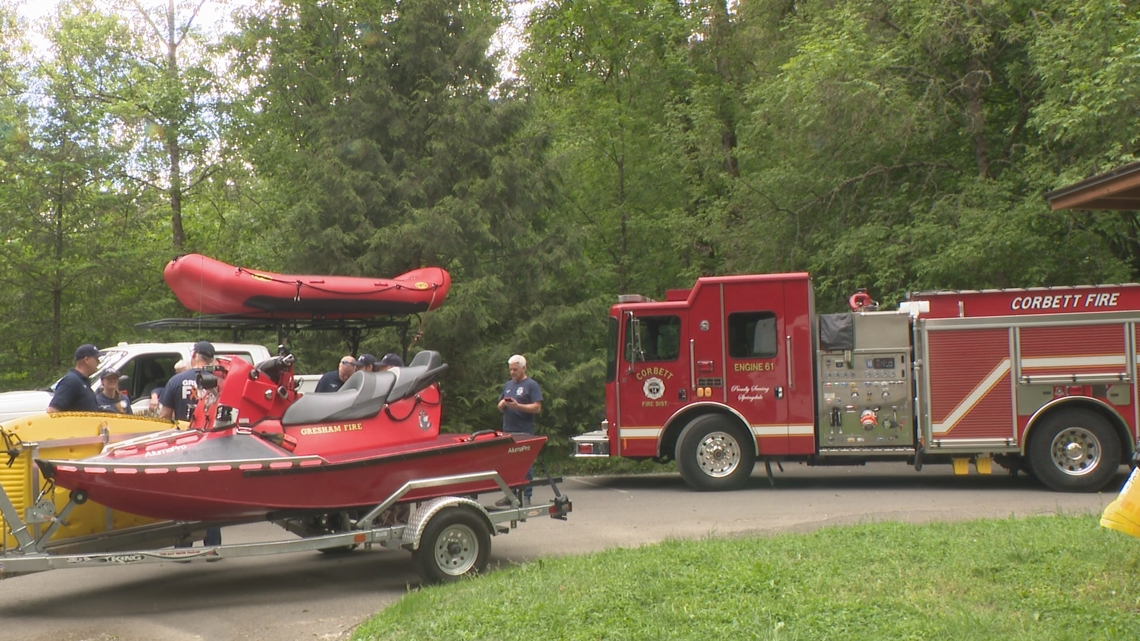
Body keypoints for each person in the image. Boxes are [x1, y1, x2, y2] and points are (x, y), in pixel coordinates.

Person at [160, 341, 222, 548]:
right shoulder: (219, 383)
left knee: (184, 497)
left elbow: (164, 416)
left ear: (194, 354)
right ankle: (212, 547)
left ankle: (183, 548)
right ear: (211, 359)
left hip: (183, 445)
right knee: (211, 499)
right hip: (211, 444)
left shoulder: (176, 381)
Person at [496, 354, 543, 505]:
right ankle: (511, 495)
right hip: (508, 429)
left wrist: (518, 406)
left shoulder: (531, 385)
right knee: (509, 464)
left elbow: (537, 407)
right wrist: (502, 405)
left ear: (523, 368)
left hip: (523, 431)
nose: (512, 372)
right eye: (510, 370)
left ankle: (526, 495)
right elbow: (500, 404)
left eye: (515, 369)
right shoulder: (508, 385)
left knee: (525, 463)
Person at [47, 344, 101, 413]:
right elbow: (52, 411)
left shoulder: (83, 382)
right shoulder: (71, 381)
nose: (98, 362)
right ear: (86, 360)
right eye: (96, 359)